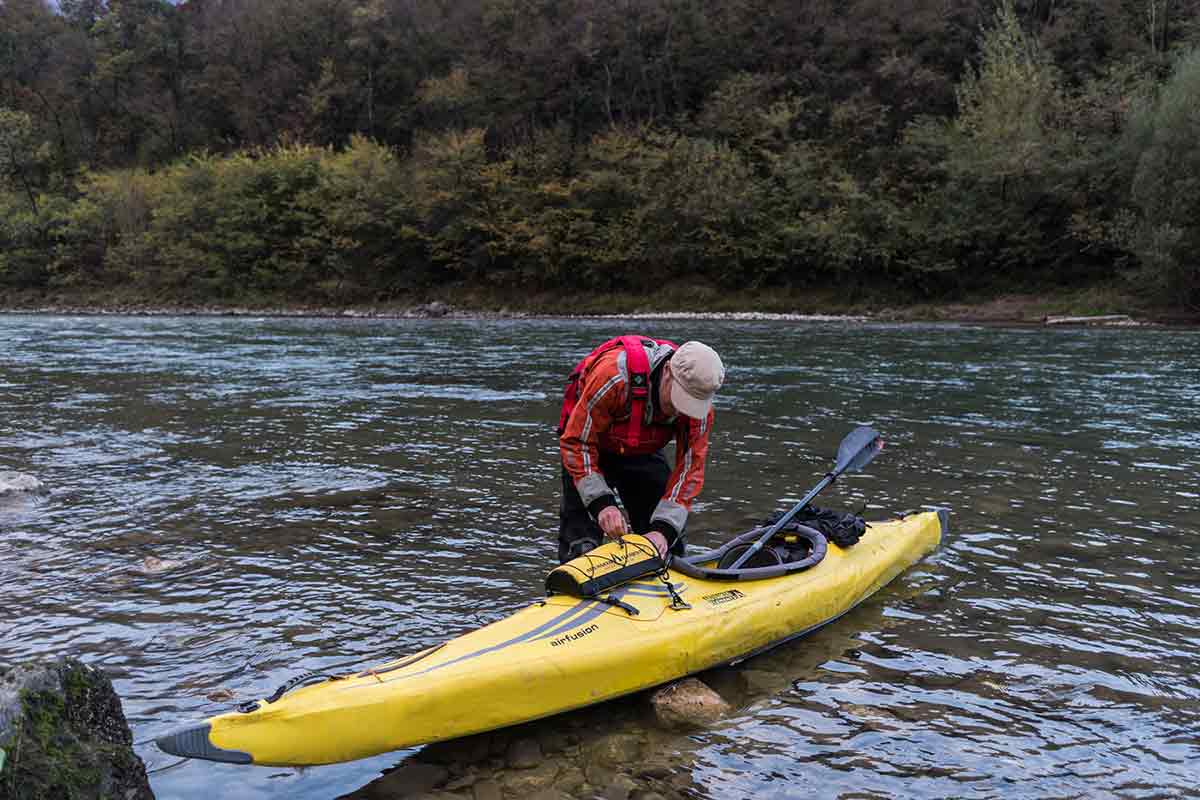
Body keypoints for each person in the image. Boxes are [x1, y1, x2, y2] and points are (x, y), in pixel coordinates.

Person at [556, 336, 725, 563]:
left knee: (669, 546)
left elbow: (690, 472)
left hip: (643, 452)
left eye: (690, 404)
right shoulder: (613, 376)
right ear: (668, 371)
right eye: (679, 399)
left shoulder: (700, 407)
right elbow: (576, 443)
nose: (681, 410)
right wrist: (602, 505)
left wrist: (663, 530)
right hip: (589, 449)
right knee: (581, 547)